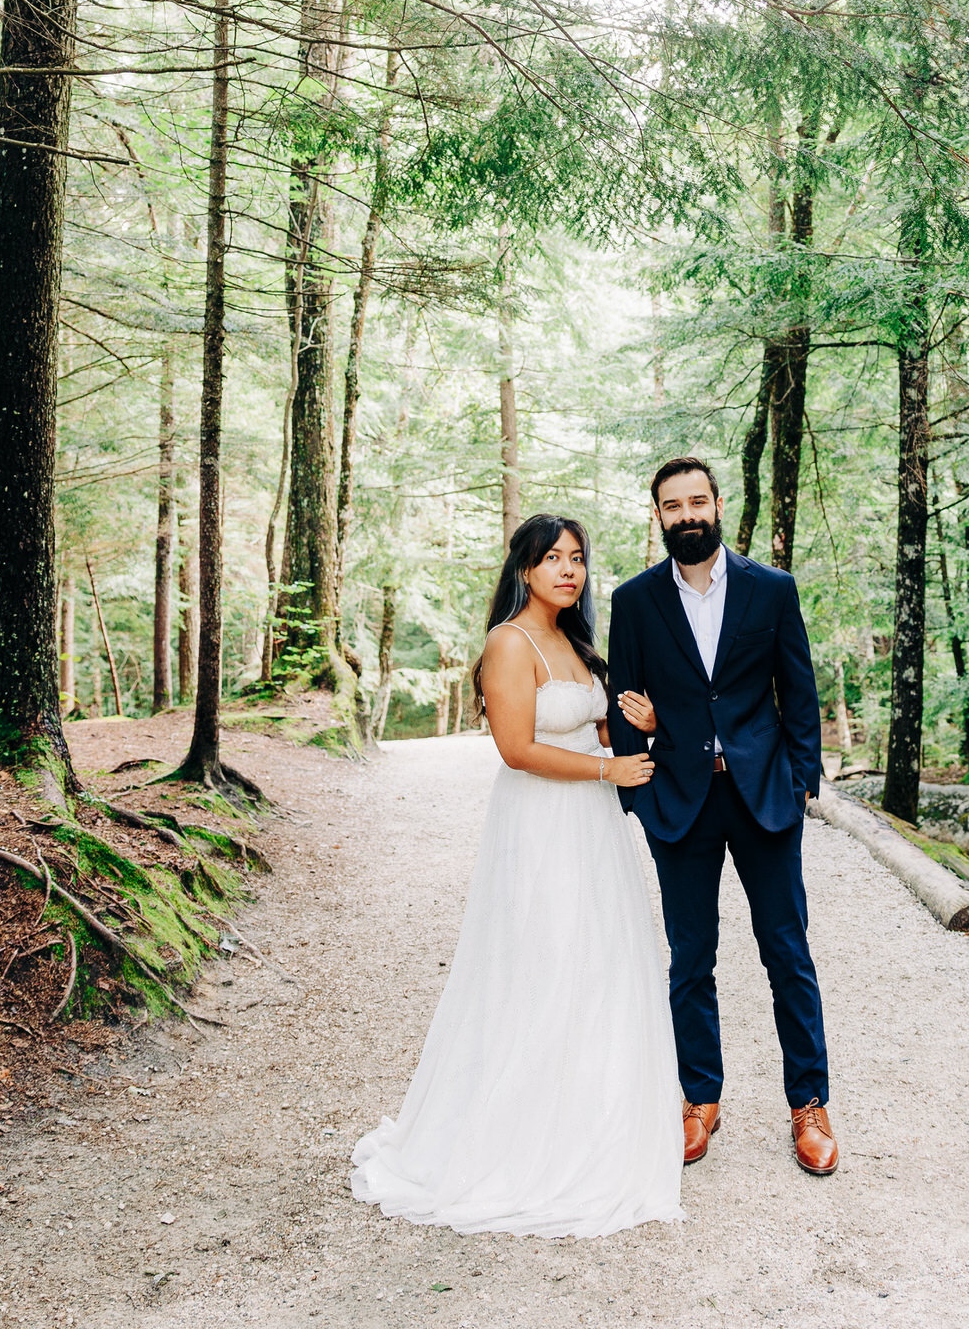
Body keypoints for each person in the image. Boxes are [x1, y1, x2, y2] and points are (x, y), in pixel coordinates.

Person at [349, 514, 684, 1237]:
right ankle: (517, 1137)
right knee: (544, 962)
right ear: (524, 568)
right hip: (539, 823)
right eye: (553, 558)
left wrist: (646, 724)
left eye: (577, 559)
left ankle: (588, 1122)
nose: (568, 570)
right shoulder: (509, 642)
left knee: (598, 966)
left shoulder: (577, 643)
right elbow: (516, 748)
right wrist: (609, 769)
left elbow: (600, 729)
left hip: (593, 826)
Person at [606, 457, 837, 1176]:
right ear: (658, 515)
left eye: (697, 501)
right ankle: (698, 1099)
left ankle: (809, 1104)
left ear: (718, 504)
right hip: (680, 802)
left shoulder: (772, 589)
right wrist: (638, 791)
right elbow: (624, 699)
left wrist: (801, 782)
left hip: (764, 797)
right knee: (690, 959)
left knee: (787, 953)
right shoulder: (634, 601)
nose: (687, 515)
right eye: (672, 506)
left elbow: (798, 691)